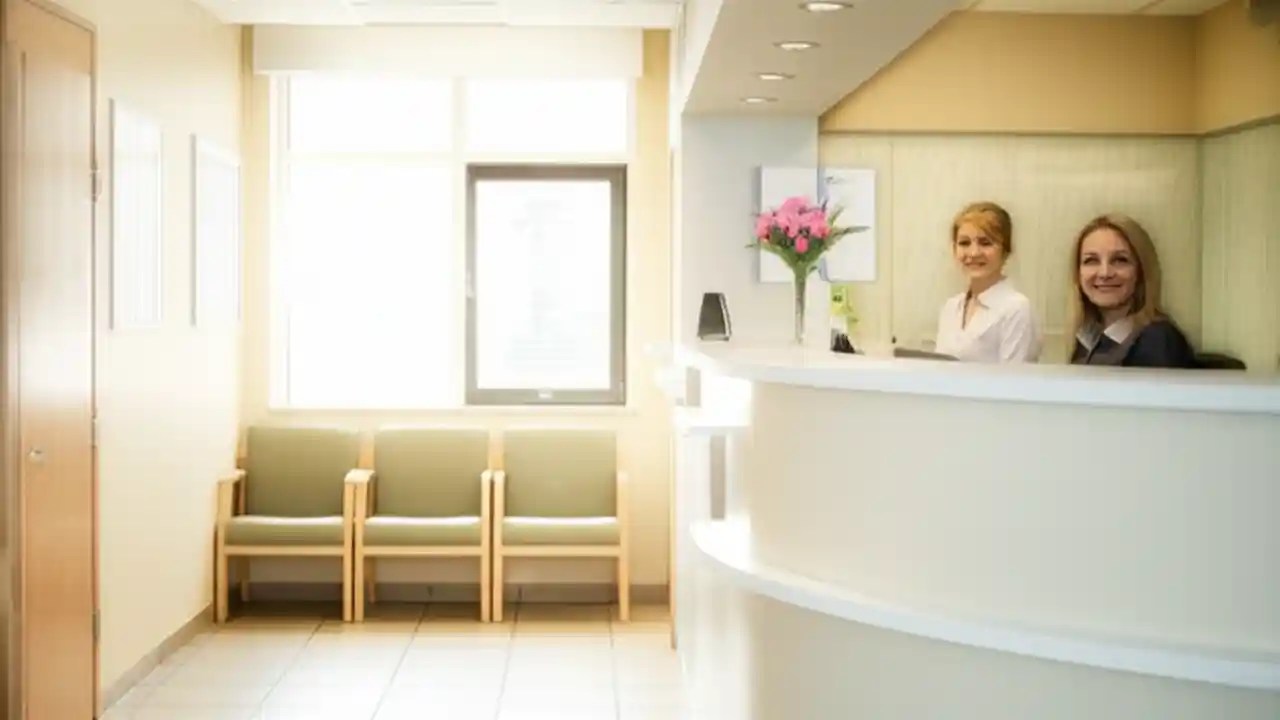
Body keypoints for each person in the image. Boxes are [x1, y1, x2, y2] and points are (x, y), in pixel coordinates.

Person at [1069, 214, 1195, 368]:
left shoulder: (1157, 340)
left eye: (1120, 260)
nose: (1104, 273)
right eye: (1091, 260)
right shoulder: (1087, 338)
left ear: (1141, 271)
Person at [934, 202, 1040, 363]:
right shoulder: (951, 307)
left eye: (986, 243)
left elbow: (1015, 382)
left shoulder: (1016, 309)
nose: (974, 253)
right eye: (964, 243)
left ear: (1005, 251)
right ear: (954, 248)